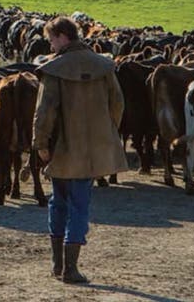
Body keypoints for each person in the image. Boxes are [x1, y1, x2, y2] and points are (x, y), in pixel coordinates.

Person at [32, 15, 128, 285]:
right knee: (80, 205)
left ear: (63, 37)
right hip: (91, 150)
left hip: (62, 149)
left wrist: (41, 144)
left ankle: (59, 264)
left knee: (58, 202)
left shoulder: (54, 69)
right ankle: (71, 268)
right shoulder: (103, 66)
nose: (50, 46)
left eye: (51, 40)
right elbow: (117, 103)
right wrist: (105, 133)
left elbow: (44, 112)